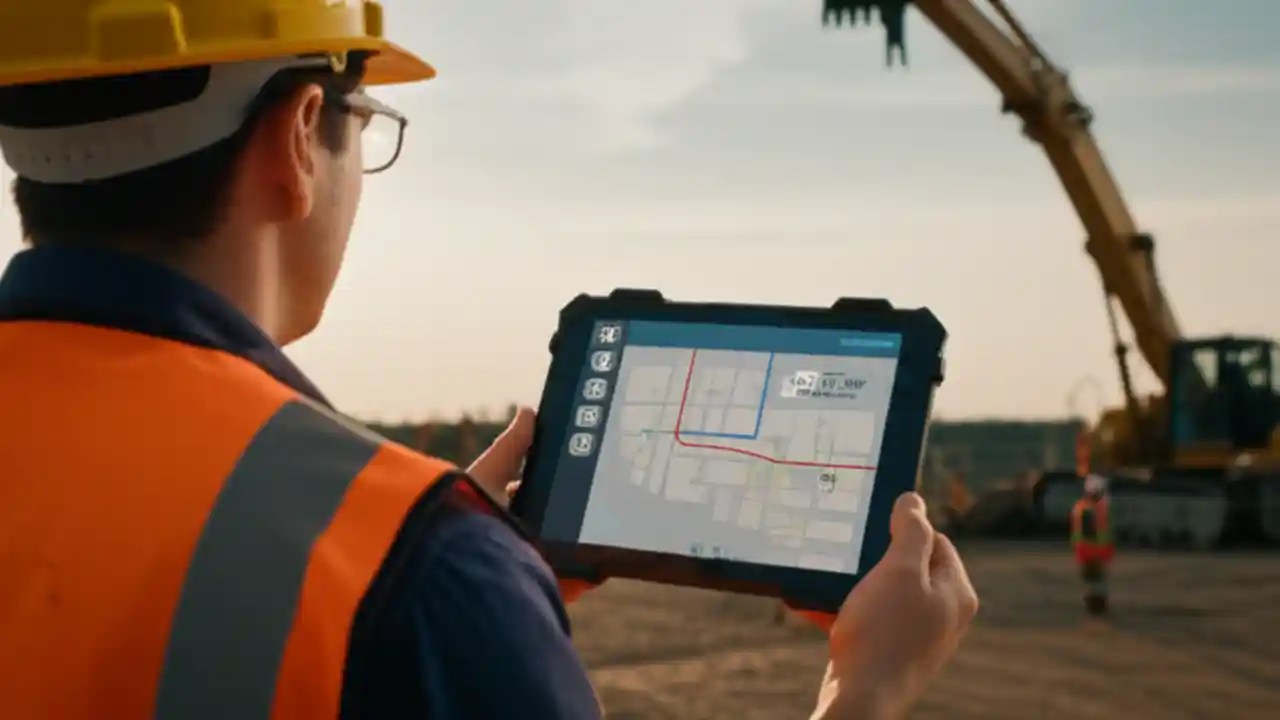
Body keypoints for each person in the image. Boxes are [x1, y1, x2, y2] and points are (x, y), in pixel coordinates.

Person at [0, 2, 978, 717]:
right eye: (366, 125)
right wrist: (865, 690)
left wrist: (434, 574)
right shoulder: (425, 570)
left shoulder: (418, 564)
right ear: (300, 134)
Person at [1071, 473, 1115, 616]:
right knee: (1098, 582)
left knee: (1091, 582)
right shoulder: (1097, 508)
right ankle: (1097, 606)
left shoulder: (1079, 507)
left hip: (1084, 551)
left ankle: (1092, 605)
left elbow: (1077, 532)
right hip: (1096, 552)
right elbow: (1099, 532)